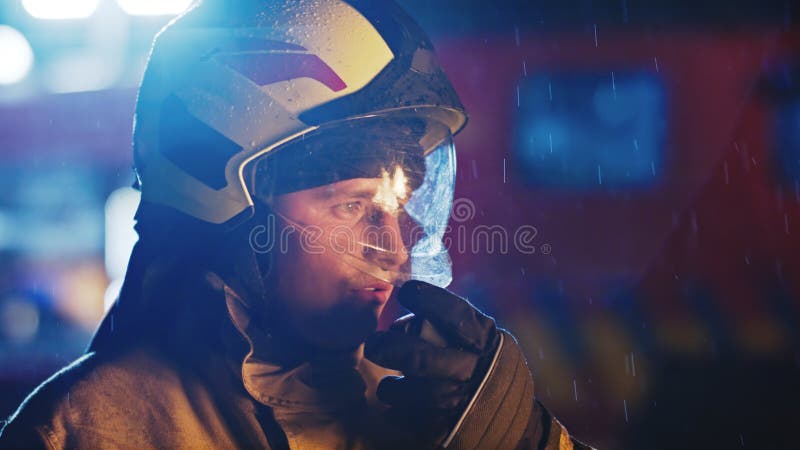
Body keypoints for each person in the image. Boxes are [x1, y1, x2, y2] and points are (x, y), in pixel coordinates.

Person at [0, 1, 593, 448]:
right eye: (351, 206)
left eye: (397, 207)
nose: (393, 248)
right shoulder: (82, 433)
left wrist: (525, 440)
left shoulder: (427, 407)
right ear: (226, 203)